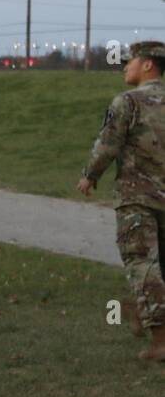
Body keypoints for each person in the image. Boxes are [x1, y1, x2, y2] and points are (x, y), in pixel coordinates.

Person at [78, 40, 165, 361]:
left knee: (142, 263)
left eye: (130, 61)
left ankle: (160, 340)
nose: (124, 66)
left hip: (137, 197)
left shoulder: (128, 102)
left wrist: (90, 174)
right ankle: (141, 315)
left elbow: (108, 144)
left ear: (147, 65)